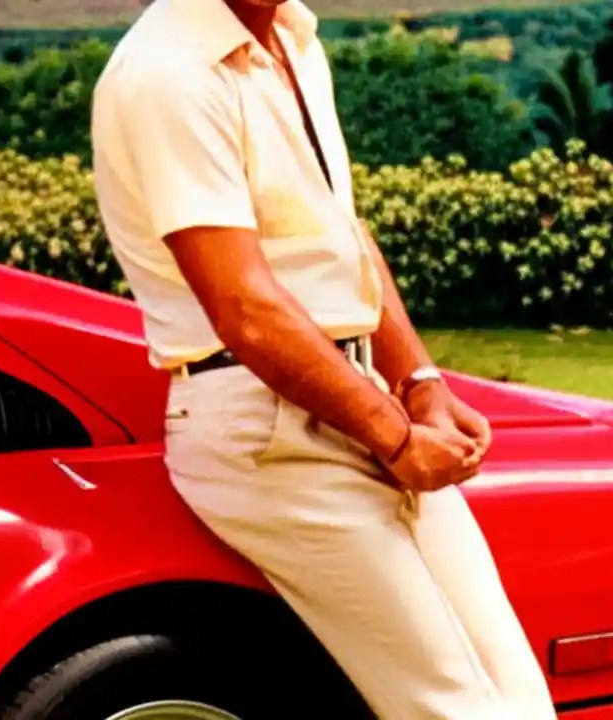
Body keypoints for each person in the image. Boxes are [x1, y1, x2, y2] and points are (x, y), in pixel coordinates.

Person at [89, 1, 559, 718]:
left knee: (519, 700)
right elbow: (246, 308)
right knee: (457, 709)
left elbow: (339, 234)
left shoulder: (295, 41)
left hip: (357, 395)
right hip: (262, 424)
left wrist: (420, 382)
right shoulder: (166, 73)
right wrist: (394, 437)